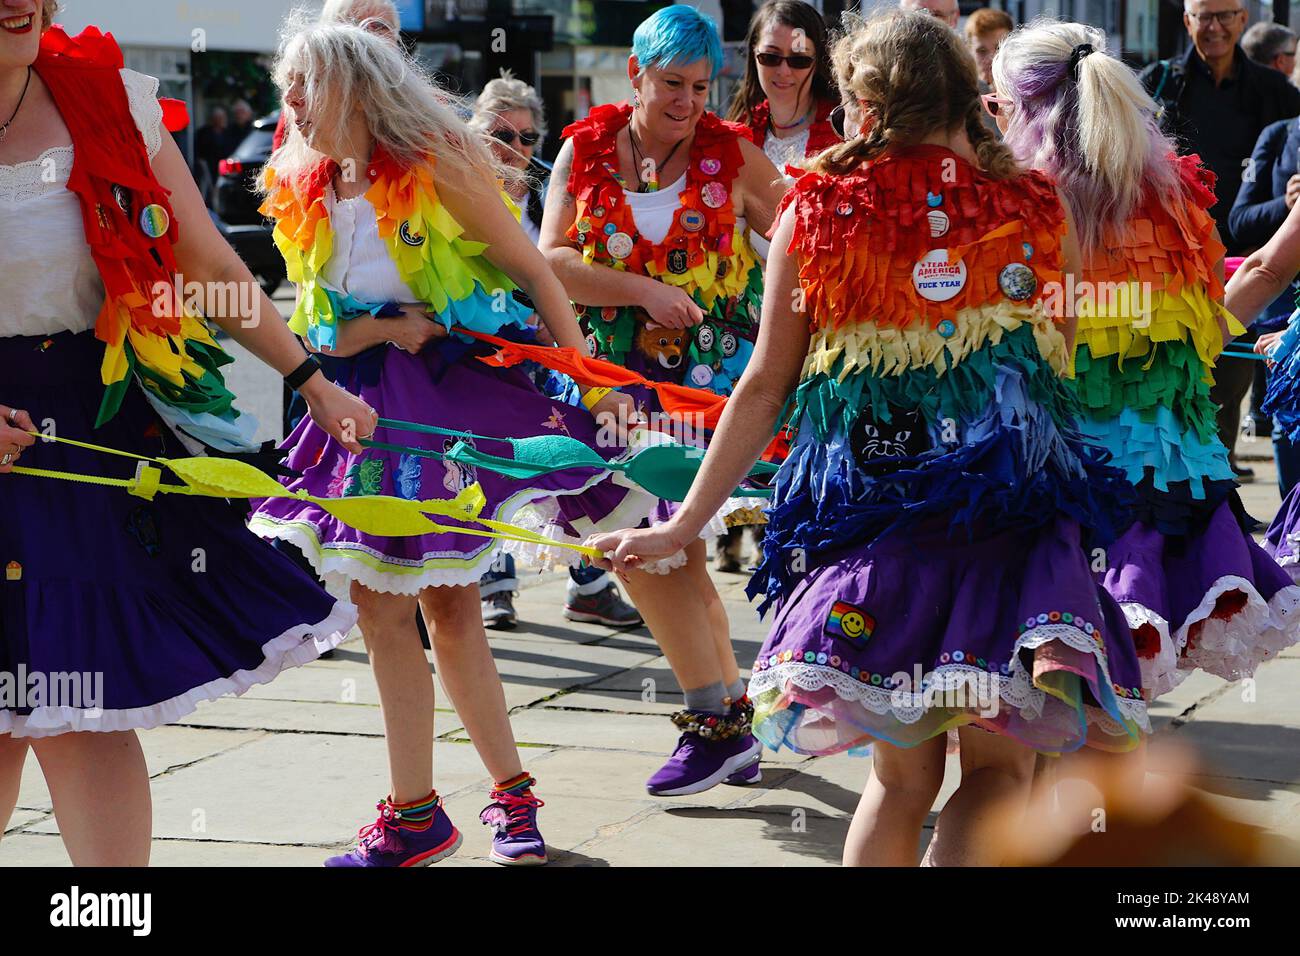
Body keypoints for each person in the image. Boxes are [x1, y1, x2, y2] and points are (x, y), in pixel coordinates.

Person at [589, 10, 1148, 867]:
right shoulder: (1038, 208)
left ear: (861, 103)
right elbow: (1057, 365)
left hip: (875, 531)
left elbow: (764, 385)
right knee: (999, 775)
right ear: (967, 96)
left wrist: (684, 520)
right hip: (1010, 529)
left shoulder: (815, 210)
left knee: (899, 781)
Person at [248, 18, 654, 867]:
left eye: (303, 89)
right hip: (358, 408)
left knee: (452, 607)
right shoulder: (302, 182)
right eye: (285, 90)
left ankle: (512, 802)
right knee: (380, 610)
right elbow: (315, 317)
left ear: (355, 92)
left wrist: (591, 381)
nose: (289, 107)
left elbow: (535, 272)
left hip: (446, 406)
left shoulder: (438, 165)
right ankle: (416, 814)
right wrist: (379, 330)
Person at [0, 0, 372, 865]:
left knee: (79, 710)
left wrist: (309, 379)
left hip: (82, 445)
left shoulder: (113, 101)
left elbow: (205, 264)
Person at [994, 20, 1300, 699]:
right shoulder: (1172, 192)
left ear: (1023, 107)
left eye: (998, 106)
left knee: (1042, 699)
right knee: (1116, 682)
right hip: (1154, 474)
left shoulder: (1020, 203)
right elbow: (1236, 294)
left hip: (1050, 473)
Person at [539, 5, 787, 796]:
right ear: (635, 77)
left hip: (704, 394)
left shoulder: (737, 156)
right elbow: (549, 262)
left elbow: (805, 238)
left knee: (661, 552)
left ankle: (716, 725)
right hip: (608, 388)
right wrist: (642, 289)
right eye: (672, 84)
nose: (687, 102)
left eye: (702, 86)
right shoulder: (583, 150)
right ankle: (727, 724)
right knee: (646, 552)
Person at [468, 70, 641, 629]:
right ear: (476, 135)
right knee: (490, 471)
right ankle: (496, 585)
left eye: (525, 138)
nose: (515, 149)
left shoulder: (542, 194)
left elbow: (557, 271)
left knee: (579, 454)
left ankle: (587, 581)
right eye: (501, 135)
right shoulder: (462, 193)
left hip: (547, 350)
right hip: (480, 355)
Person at [1140, 0, 1300, 481]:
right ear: (1186, 20)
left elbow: (1267, 264)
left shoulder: (1273, 91)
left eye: (1226, 15)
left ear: (1243, 20)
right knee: (1175, 384)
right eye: (1203, 16)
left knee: (1229, 383)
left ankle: (1213, 481)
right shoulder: (1158, 84)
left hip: (1251, 261)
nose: (1214, 27)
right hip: (1170, 260)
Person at [1230, 114, 1300, 495]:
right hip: (1281, 311)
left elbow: (1268, 270)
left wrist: (1194, 343)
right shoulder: (1279, 135)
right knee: (1286, 424)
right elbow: (1264, 265)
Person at [725, 0, 840, 172]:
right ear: (753, 54)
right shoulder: (737, 130)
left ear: (818, 62)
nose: (784, 71)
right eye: (770, 56)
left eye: (799, 59)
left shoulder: (843, 129)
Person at [272, 0, 401, 153]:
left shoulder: (422, 107)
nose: (369, 35)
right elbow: (283, 171)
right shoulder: (301, 110)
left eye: (380, 26)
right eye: (354, 25)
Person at [193, 104, 227, 201]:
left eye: (222, 117)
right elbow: (199, 149)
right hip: (207, 165)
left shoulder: (227, 132)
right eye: (218, 118)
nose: (220, 120)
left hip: (222, 166)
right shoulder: (204, 132)